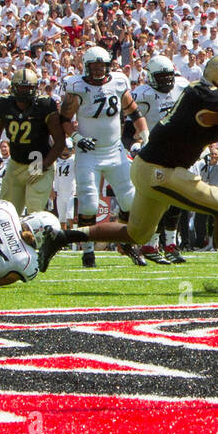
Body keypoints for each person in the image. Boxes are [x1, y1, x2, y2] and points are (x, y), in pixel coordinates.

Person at [38, 53, 218, 295]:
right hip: (161, 171)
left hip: (151, 167)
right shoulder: (208, 97)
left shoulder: (201, 91)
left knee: (135, 233)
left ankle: (61, 237)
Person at [60, 46, 148, 269]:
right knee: (89, 203)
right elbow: (64, 118)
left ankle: (124, 242)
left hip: (114, 150)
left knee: (129, 200)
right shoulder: (77, 87)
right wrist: (77, 136)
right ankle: (88, 252)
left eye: (102, 66)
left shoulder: (118, 82)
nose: (98, 70)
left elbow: (133, 111)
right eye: (94, 66)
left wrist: (144, 132)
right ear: (86, 67)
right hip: (88, 153)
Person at [132, 55, 191, 262]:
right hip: (154, 152)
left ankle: (171, 245)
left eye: (168, 76)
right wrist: (136, 141)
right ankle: (150, 245)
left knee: (177, 200)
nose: (166, 81)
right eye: (161, 77)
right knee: (158, 200)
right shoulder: (142, 94)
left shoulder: (182, 87)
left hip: (179, 151)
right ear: (150, 77)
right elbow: (130, 124)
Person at [0, 67, 65, 217]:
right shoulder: (3, 104)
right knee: (6, 213)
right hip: (15, 162)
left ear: (35, 88)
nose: (24, 92)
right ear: (13, 88)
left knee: (34, 210)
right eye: (21, 88)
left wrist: (44, 164)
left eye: (28, 88)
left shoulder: (44, 106)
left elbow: (60, 141)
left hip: (37, 160)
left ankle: (35, 239)